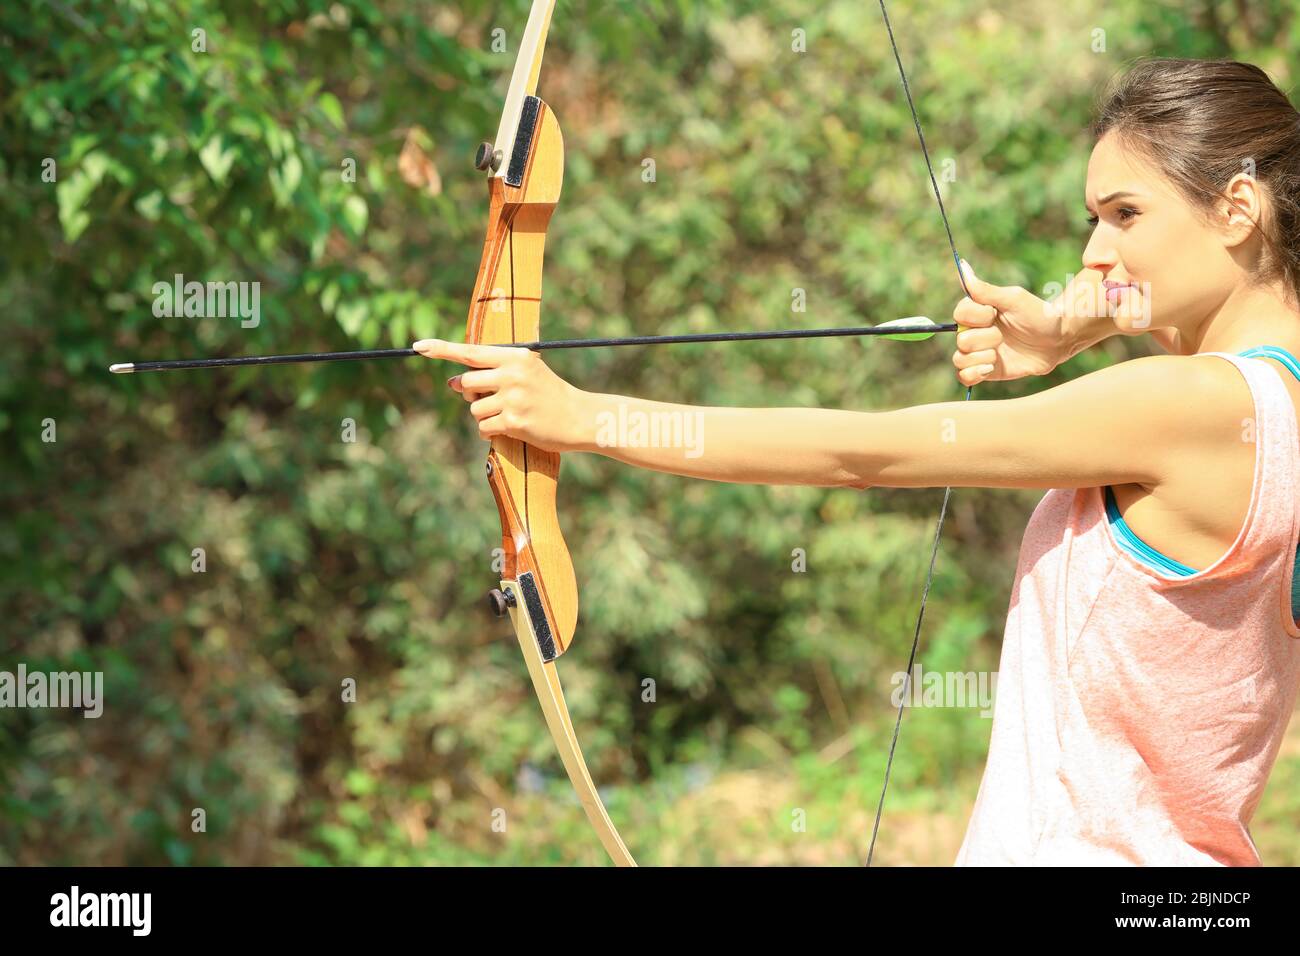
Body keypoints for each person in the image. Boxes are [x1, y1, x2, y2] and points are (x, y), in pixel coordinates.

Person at [416, 58, 1300, 865]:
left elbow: (861, 454)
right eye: (1092, 219)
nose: (1092, 252)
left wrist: (586, 416)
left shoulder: (1188, 404)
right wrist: (1076, 323)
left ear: (1236, 207)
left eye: (1125, 215)